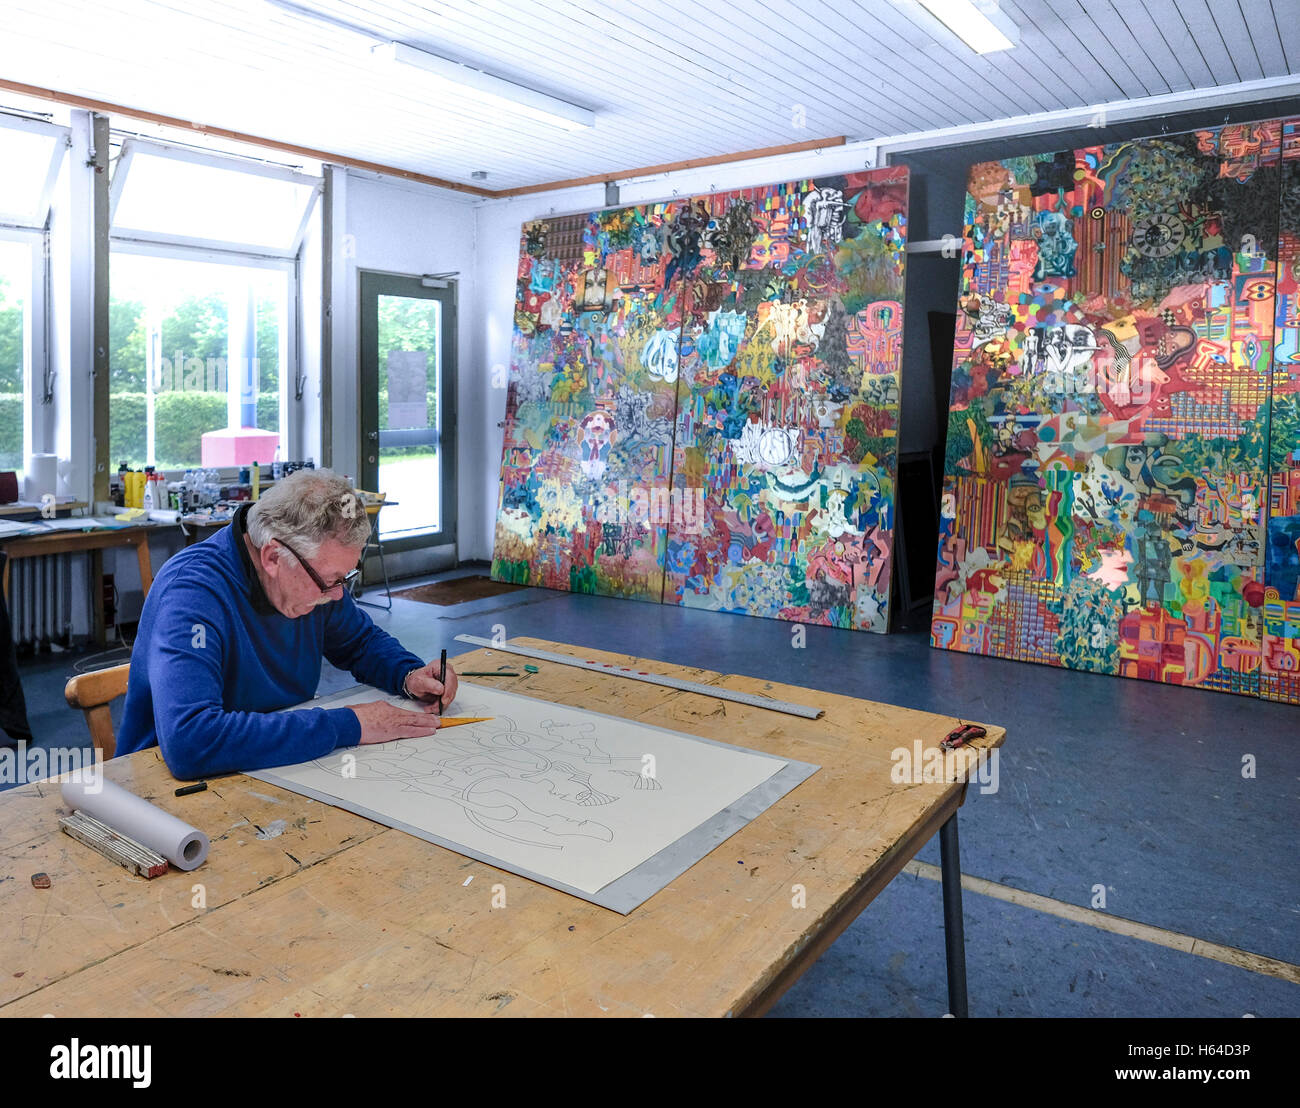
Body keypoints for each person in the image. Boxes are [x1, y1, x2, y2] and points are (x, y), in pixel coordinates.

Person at [117, 469, 458, 779]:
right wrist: (349, 724)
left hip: (273, 768)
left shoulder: (312, 578)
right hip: (163, 792)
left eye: (345, 578)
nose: (338, 595)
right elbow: (192, 741)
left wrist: (408, 675)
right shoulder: (192, 594)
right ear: (272, 558)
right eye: (330, 580)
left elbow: (359, 643)